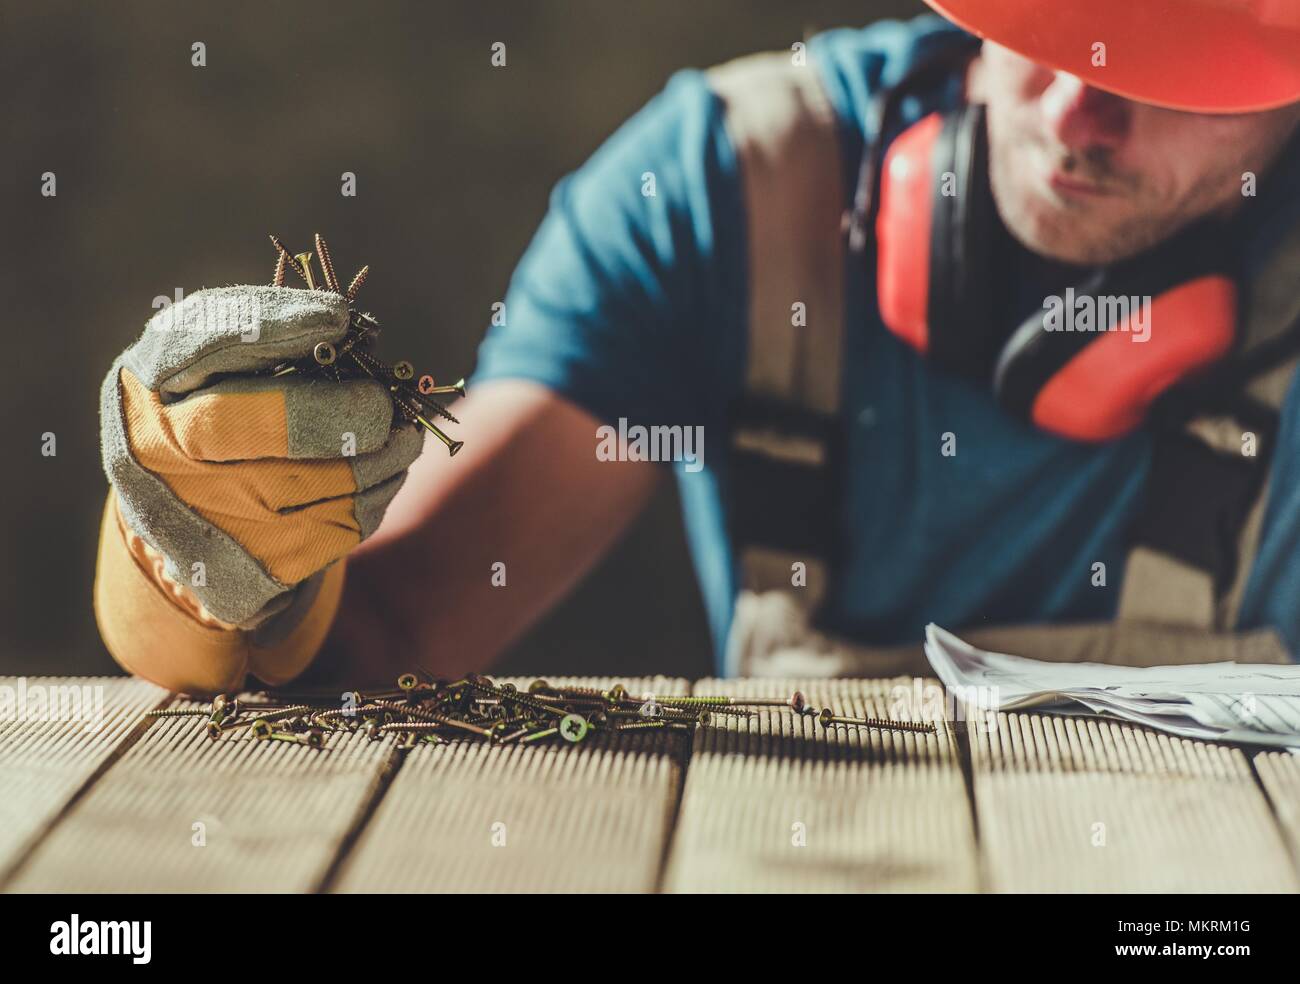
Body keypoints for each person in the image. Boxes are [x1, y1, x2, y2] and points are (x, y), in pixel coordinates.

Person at [95, 1, 1300, 693]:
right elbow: (396, 628)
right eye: (1064, 17)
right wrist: (224, 562)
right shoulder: (729, 194)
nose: (1078, 112)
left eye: (1175, 73)